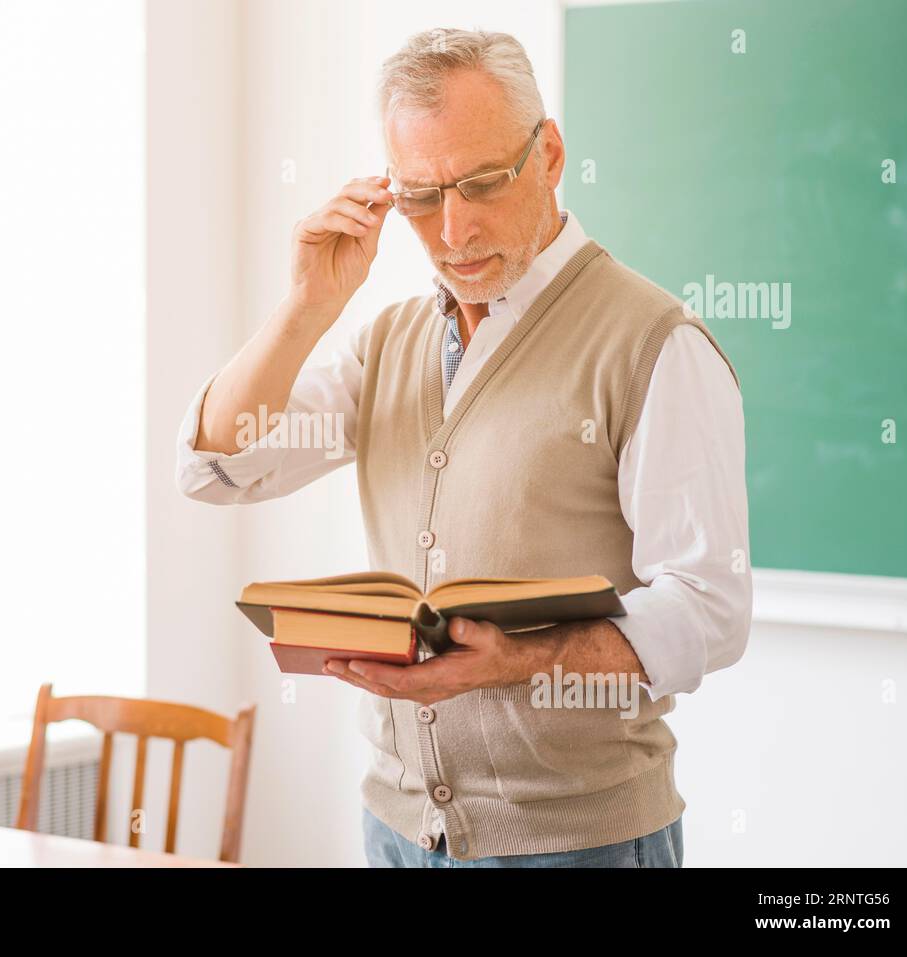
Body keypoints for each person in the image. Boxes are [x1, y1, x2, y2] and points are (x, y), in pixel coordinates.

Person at [175, 28, 750, 867]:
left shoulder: (653, 343)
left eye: (482, 183)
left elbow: (711, 607)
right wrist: (305, 307)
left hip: (578, 842)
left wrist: (518, 661)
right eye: (420, 197)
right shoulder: (387, 342)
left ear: (548, 154)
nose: (454, 228)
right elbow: (217, 468)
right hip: (399, 831)